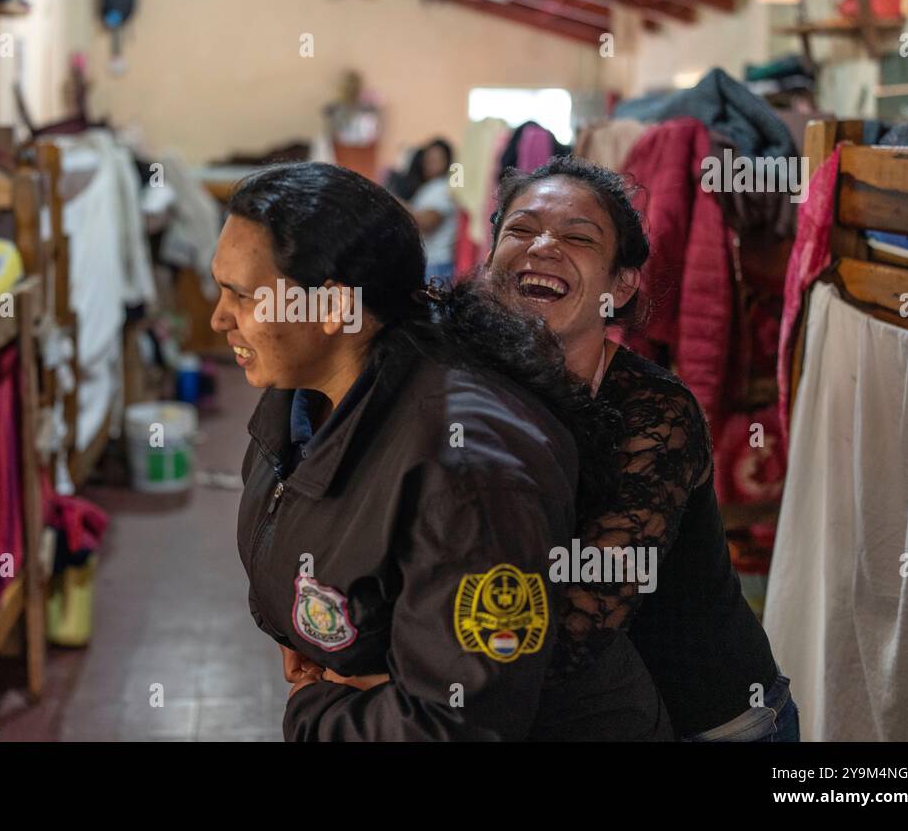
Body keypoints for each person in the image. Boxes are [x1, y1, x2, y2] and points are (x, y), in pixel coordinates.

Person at [211, 161, 672, 740]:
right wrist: (306, 634)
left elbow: (455, 724)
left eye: (242, 295)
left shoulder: (468, 469)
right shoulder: (302, 400)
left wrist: (312, 709)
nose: (219, 318)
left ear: (330, 309)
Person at [484, 154, 797, 742]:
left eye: (578, 237)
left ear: (620, 284)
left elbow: (581, 622)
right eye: (519, 230)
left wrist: (394, 676)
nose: (542, 245)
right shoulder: (469, 382)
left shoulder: (656, 412)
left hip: (710, 724)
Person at [406, 138, 458, 282]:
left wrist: (394, 202)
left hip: (437, 265)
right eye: (428, 159)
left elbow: (427, 222)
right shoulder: (430, 187)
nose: (430, 164)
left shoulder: (443, 188)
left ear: (447, 162)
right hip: (430, 264)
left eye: (436, 159)